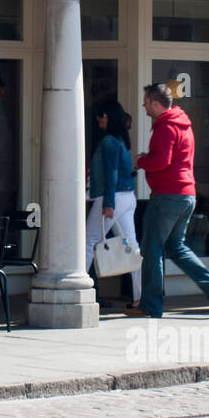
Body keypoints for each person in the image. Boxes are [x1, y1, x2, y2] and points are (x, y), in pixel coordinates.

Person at [130, 83, 209, 318]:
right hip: (187, 194)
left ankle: (150, 306)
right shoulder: (184, 125)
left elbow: (161, 162)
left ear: (156, 104)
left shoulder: (165, 127)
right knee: (176, 247)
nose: (143, 105)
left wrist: (140, 161)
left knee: (151, 251)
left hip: (167, 196)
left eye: (146, 101)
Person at [86, 100, 140, 307]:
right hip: (128, 197)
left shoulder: (108, 142)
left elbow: (111, 174)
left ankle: (74, 290)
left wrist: (108, 203)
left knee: (89, 242)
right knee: (132, 247)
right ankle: (140, 296)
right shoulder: (121, 142)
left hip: (112, 198)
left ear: (110, 118)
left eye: (102, 115)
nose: (99, 118)